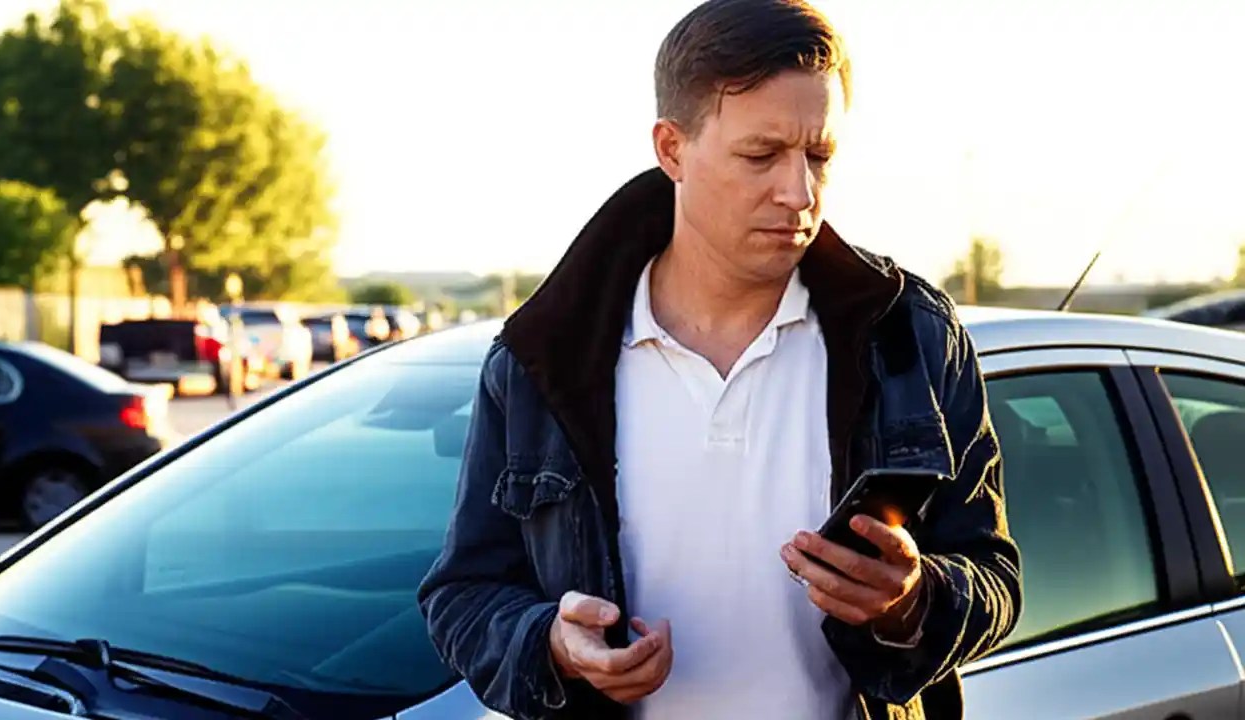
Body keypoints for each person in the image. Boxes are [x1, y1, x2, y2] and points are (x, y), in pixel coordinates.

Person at [417, 1, 1022, 718]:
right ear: (672, 148)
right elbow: (461, 595)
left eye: (818, 156)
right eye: (761, 155)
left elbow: (995, 577)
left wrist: (913, 601)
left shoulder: (909, 337)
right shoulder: (542, 359)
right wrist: (548, 642)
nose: (799, 193)